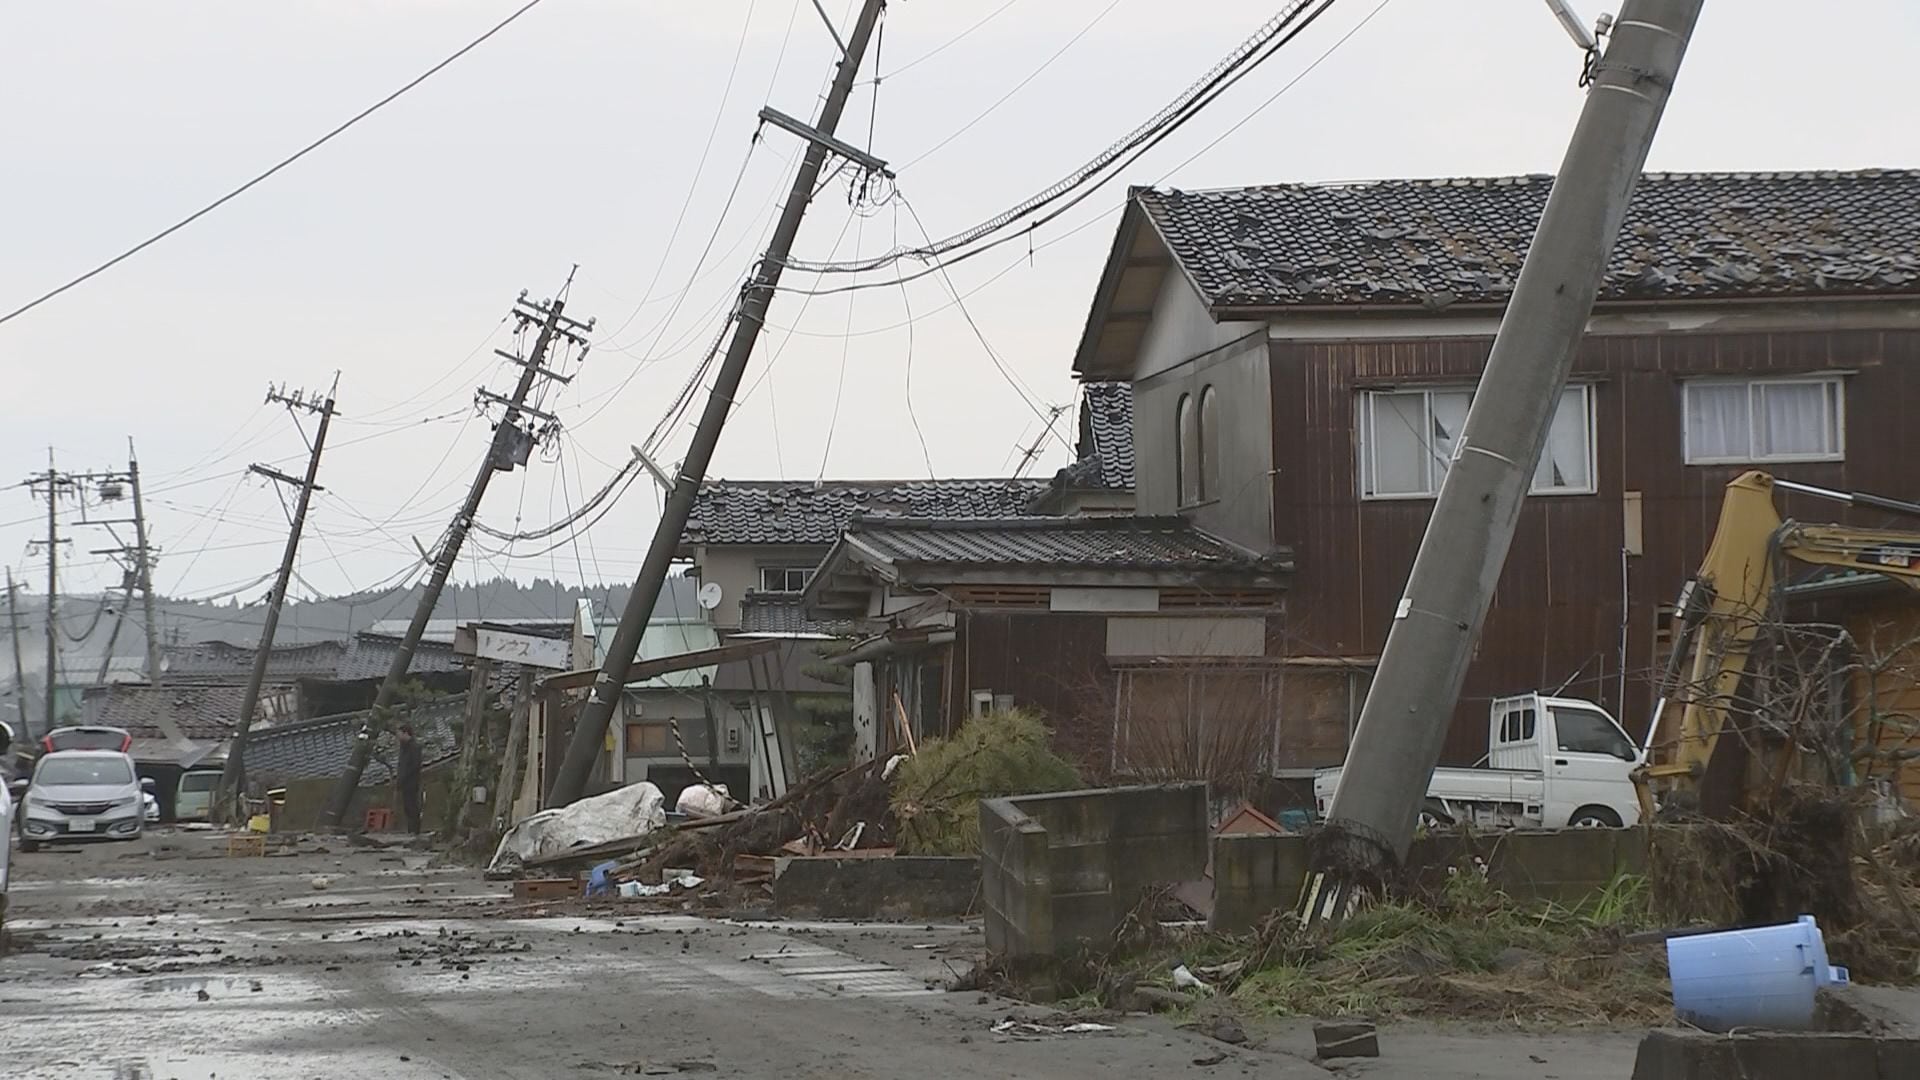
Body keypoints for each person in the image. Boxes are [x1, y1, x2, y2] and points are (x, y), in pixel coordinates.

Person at [395, 723, 423, 835]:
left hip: (411, 781)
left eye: (400, 734)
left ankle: (415, 830)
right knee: (407, 806)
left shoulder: (414, 747)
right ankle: (410, 829)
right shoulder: (403, 747)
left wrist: (405, 775)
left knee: (412, 806)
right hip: (404, 781)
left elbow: (414, 765)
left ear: (406, 733)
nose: (398, 737)